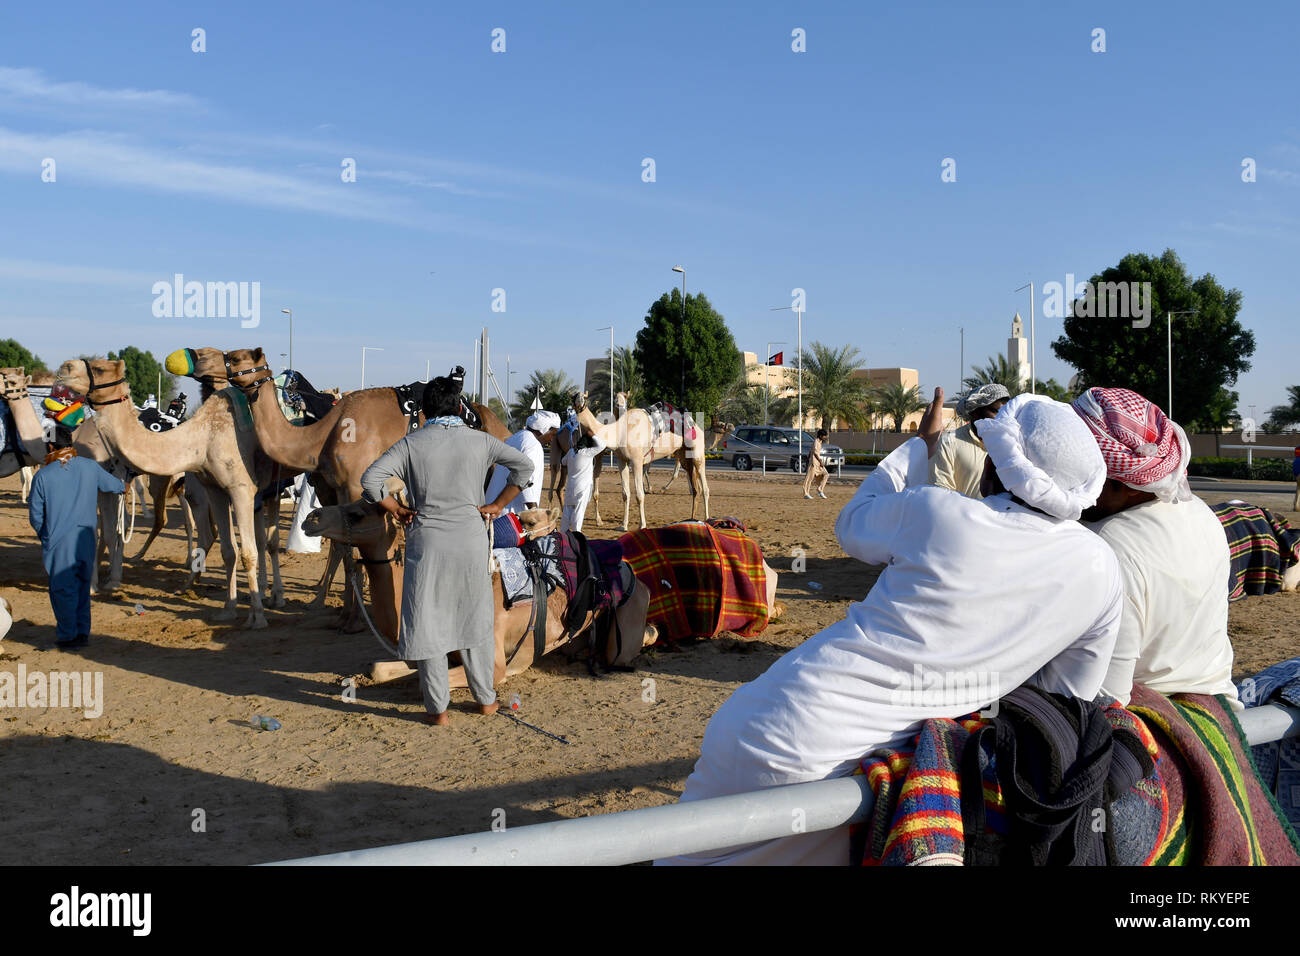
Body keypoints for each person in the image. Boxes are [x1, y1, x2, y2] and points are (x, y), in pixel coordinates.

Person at [657, 389, 1120, 866]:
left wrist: (917, 448)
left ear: (995, 465)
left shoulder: (938, 511)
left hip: (772, 725)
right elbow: (1066, 698)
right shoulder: (1101, 569)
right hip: (853, 771)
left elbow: (852, 523)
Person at [360, 375, 535, 726]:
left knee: (430, 623)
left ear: (424, 412)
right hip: (470, 540)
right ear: (458, 407)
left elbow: (369, 481)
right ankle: (486, 701)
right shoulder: (480, 441)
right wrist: (498, 504)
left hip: (428, 545)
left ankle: (437, 710)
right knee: (473, 620)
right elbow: (524, 467)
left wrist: (396, 509)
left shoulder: (411, 444)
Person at [1072, 387, 1238, 708]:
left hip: (1154, 716)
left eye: (1081, 473)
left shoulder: (1107, 547)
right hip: (1219, 703)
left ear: (1123, 487)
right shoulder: (1201, 511)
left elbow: (1108, 698)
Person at [27, 426, 125, 649]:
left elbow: (36, 515)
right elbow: (115, 487)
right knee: (82, 586)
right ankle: (82, 633)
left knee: (63, 589)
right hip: (86, 540)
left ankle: (68, 636)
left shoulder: (43, 475)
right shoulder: (90, 467)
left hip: (59, 541)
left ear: (51, 446)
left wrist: (46, 535)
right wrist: (124, 485)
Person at [928, 383, 1009, 498]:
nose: (1001, 418)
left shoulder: (1012, 444)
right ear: (975, 412)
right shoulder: (950, 442)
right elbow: (941, 493)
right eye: (995, 411)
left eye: (1005, 412)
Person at [484, 410, 561, 514]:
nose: (552, 440)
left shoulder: (515, 437)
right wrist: (536, 514)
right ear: (545, 429)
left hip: (493, 508)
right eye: (553, 434)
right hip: (509, 514)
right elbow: (526, 482)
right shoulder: (533, 445)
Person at [560, 424, 606, 534]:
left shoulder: (571, 452)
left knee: (567, 512)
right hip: (582, 488)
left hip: (570, 487)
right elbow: (602, 445)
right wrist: (592, 435)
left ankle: (563, 534)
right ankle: (577, 534)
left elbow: (563, 462)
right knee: (578, 512)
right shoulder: (587, 453)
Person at [803, 428, 831, 499]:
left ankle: (819, 489)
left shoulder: (819, 442)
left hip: (817, 463)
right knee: (809, 479)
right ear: (821, 435)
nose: (825, 437)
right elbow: (815, 453)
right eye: (824, 436)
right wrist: (820, 461)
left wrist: (808, 456)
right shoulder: (816, 441)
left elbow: (811, 450)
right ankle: (806, 494)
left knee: (826, 474)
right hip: (813, 463)